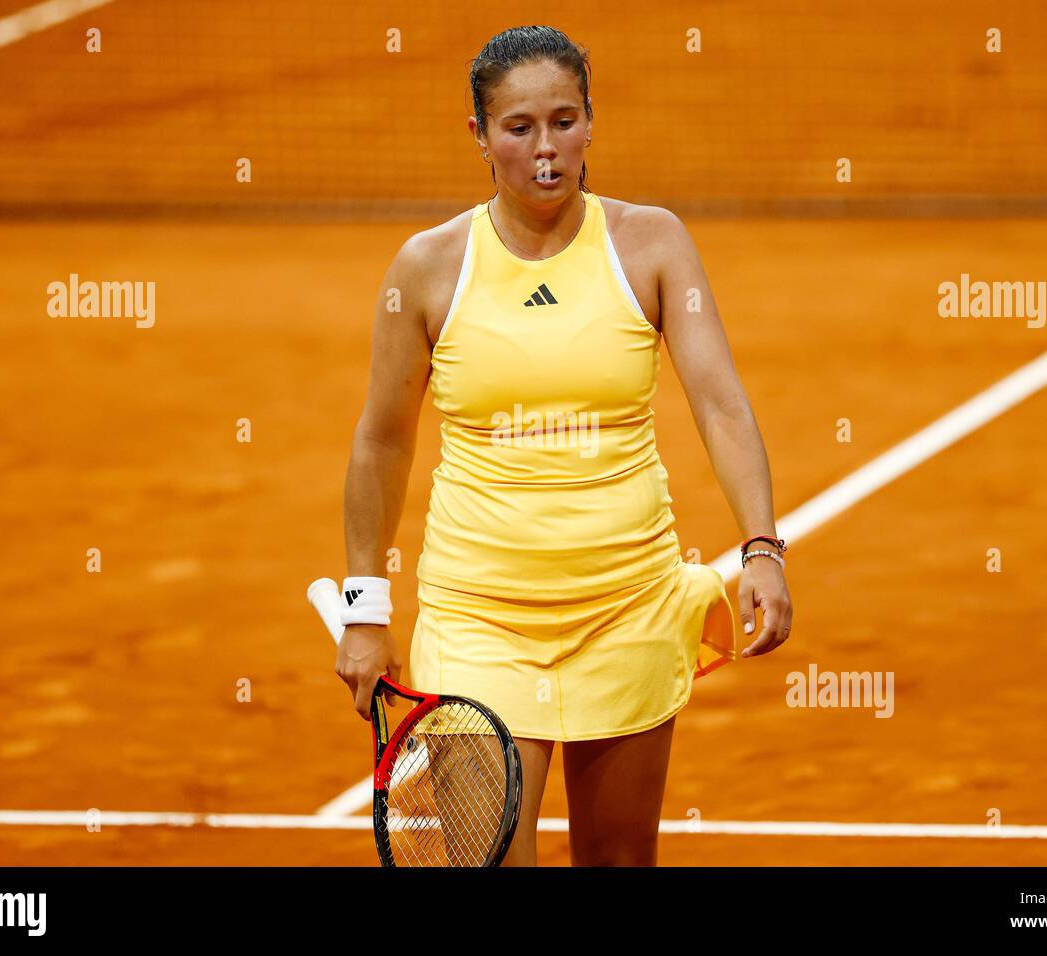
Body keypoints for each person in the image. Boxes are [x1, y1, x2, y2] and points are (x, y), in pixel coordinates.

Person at [336, 25, 793, 866]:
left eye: (565, 121)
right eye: (519, 128)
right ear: (479, 135)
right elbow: (380, 442)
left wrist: (762, 544)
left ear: (591, 123)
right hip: (480, 617)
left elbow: (721, 404)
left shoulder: (652, 244)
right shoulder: (428, 268)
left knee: (618, 861)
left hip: (628, 606)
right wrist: (365, 608)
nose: (546, 150)